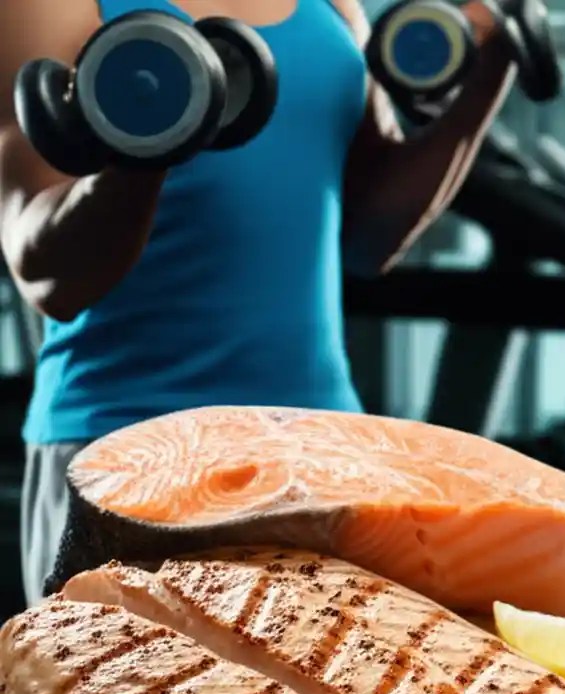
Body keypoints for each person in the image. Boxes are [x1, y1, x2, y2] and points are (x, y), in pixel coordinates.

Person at [1, 0, 517, 606]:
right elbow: (47, 276)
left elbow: (367, 238)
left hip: (321, 450)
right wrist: (151, 145)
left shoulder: (335, 6)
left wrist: (488, 76)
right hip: (124, 451)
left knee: (331, 692)